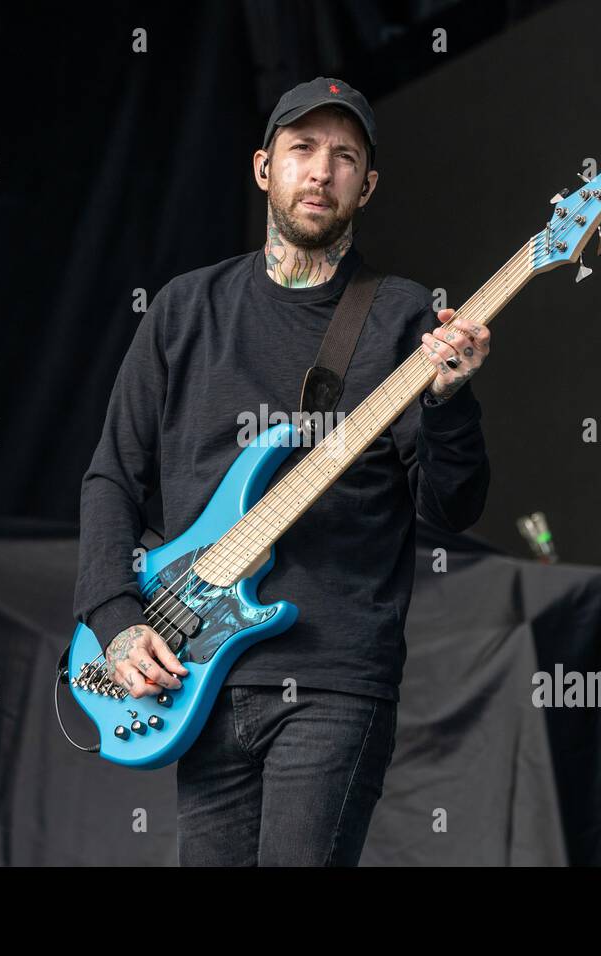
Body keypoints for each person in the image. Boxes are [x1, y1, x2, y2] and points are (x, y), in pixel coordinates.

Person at [72, 77, 492, 865]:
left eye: (344, 157)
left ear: (365, 187)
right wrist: (115, 619)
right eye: (302, 149)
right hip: (198, 671)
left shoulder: (401, 316)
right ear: (264, 167)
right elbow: (112, 480)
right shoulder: (183, 310)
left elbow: (451, 507)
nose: (321, 171)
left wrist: (449, 404)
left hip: (335, 676)